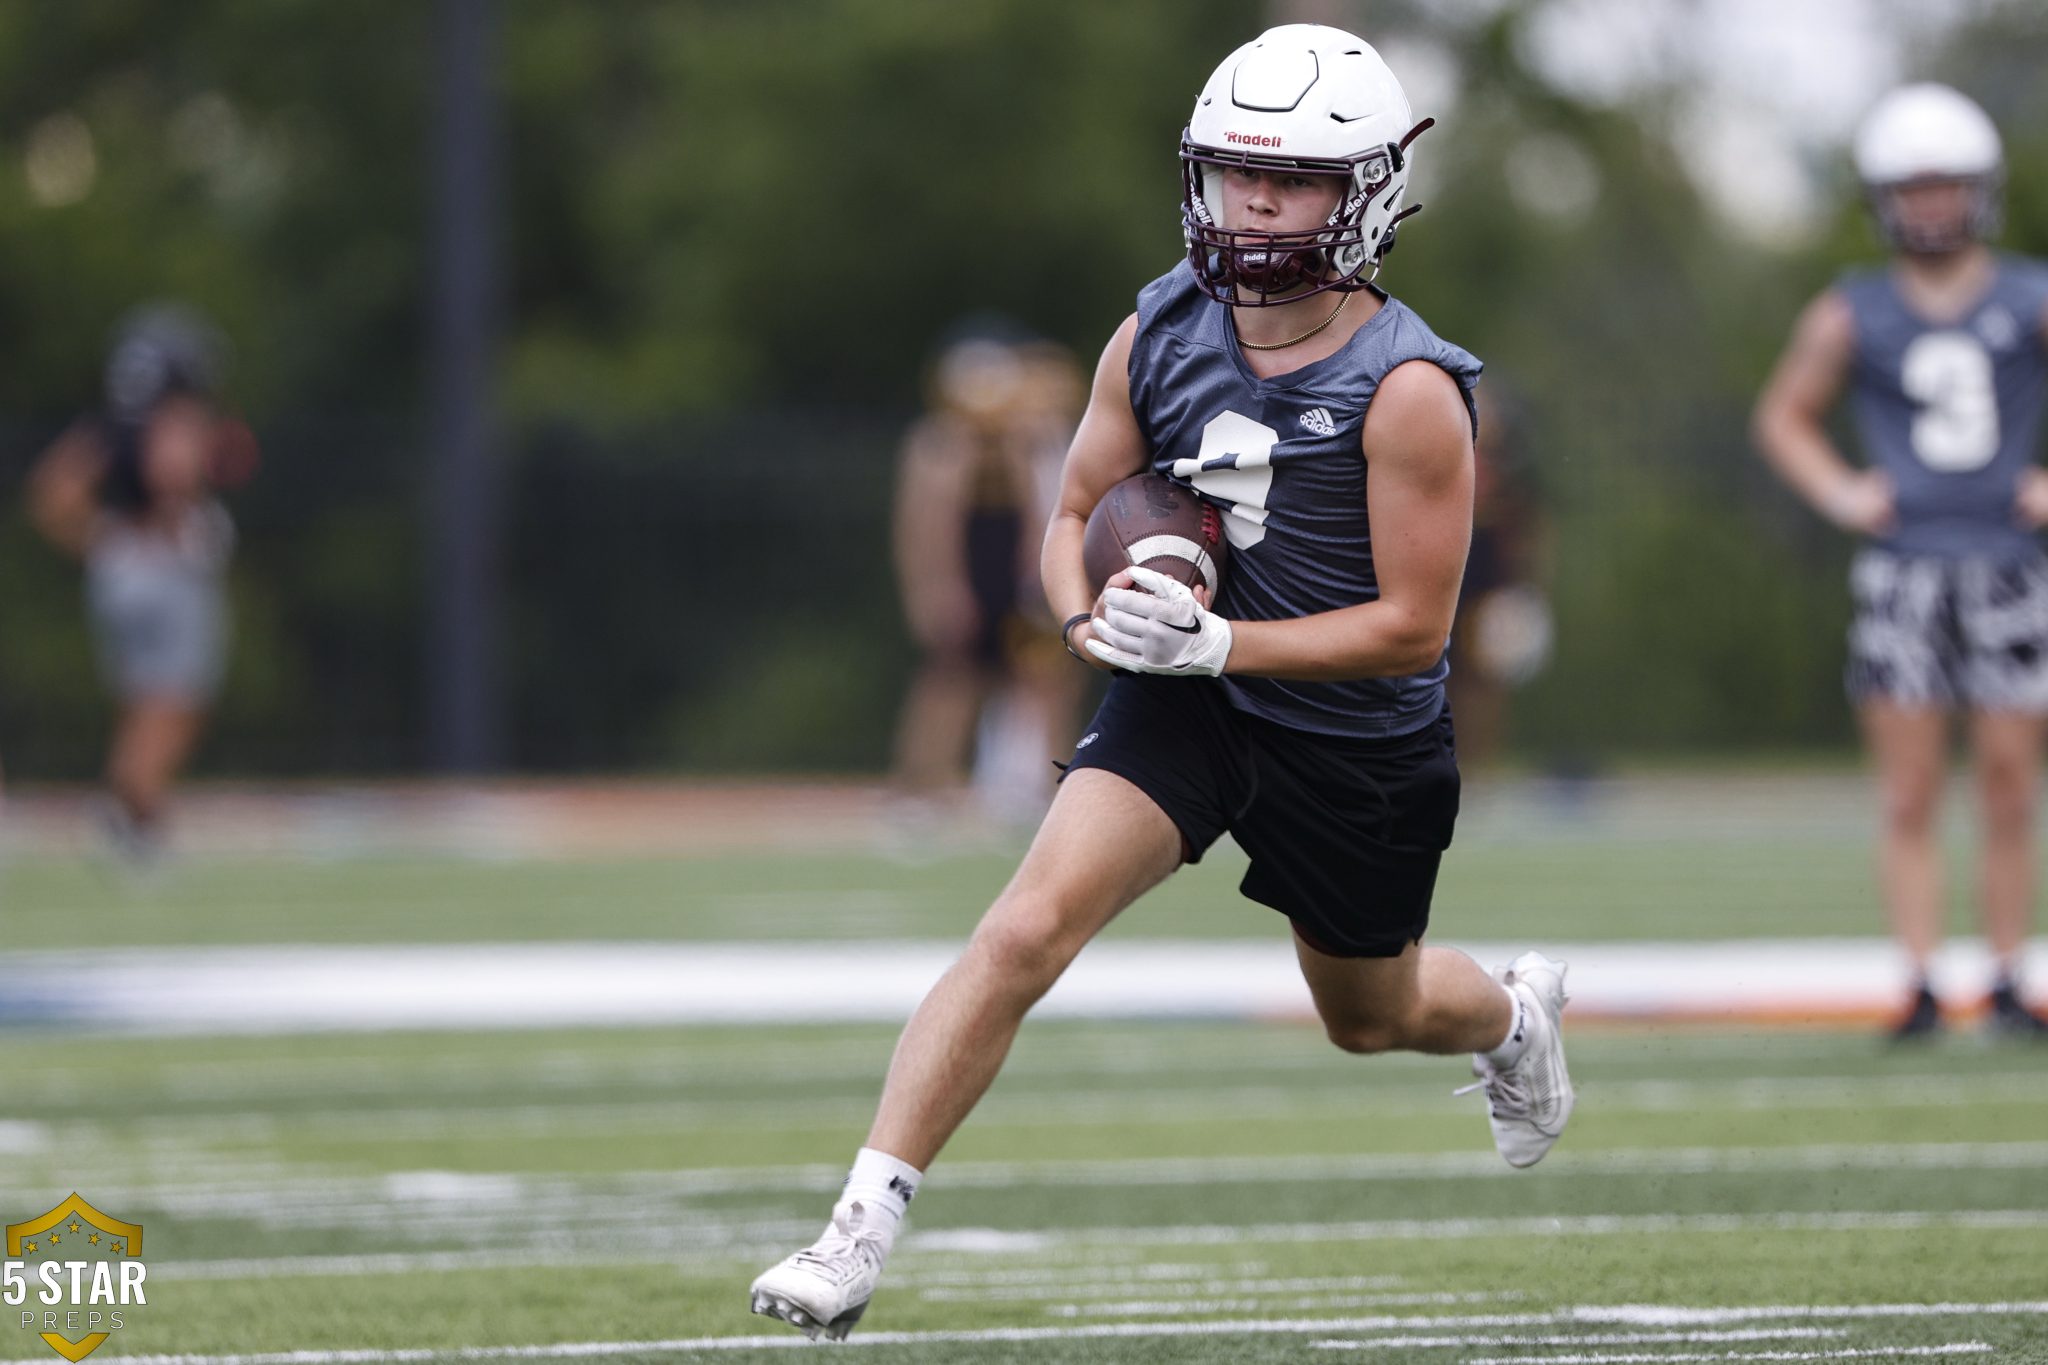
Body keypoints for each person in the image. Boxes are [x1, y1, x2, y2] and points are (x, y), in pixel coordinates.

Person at [749, 25, 1575, 1341]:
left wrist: (1224, 643)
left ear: (1362, 190)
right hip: (1185, 703)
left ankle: (1514, 1016)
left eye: (1294, 178)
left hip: (1351, 737)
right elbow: (1072, 513)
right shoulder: (1155, 331)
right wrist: (1094, 625)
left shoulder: (1411, 388)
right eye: (1237, 172)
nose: (1257, 202)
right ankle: (855, 1231)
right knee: (1022, 930)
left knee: (1375, 1014)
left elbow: (1416, 630)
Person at [1753, 83, 2048, 1041]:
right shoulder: (1855, 309)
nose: (1929, 205)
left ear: (1977, 192)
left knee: (2009, 783)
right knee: (1909, 788)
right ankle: (1919, 978)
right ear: (1887, 197)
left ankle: (2008, 975)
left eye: (1945, 186)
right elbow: (1783, 415)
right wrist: (1844, 492)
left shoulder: (2028, 295)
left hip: (2008, 559)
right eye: (1912, 187)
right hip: (1906, 565)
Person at [27, 305, 251, 864]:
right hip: (164, 568)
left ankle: (134, 810)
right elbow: (170, 470)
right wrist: (179, 529)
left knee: (144, 700)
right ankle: (134, 816)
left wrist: (103, 542)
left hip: (116, 572)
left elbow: (50, 494)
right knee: (175, 697)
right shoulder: (175, 414)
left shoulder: (107, 423)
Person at [888, 324, 1087, 823]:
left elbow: (1033, 519)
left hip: (1019, 580)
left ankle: (1043, 792)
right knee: (953, 680)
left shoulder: (1034, 440)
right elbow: (929, 526)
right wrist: (937, 587)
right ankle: (920, 793)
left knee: (1041, 682)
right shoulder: (944, 445)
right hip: (981, 577)